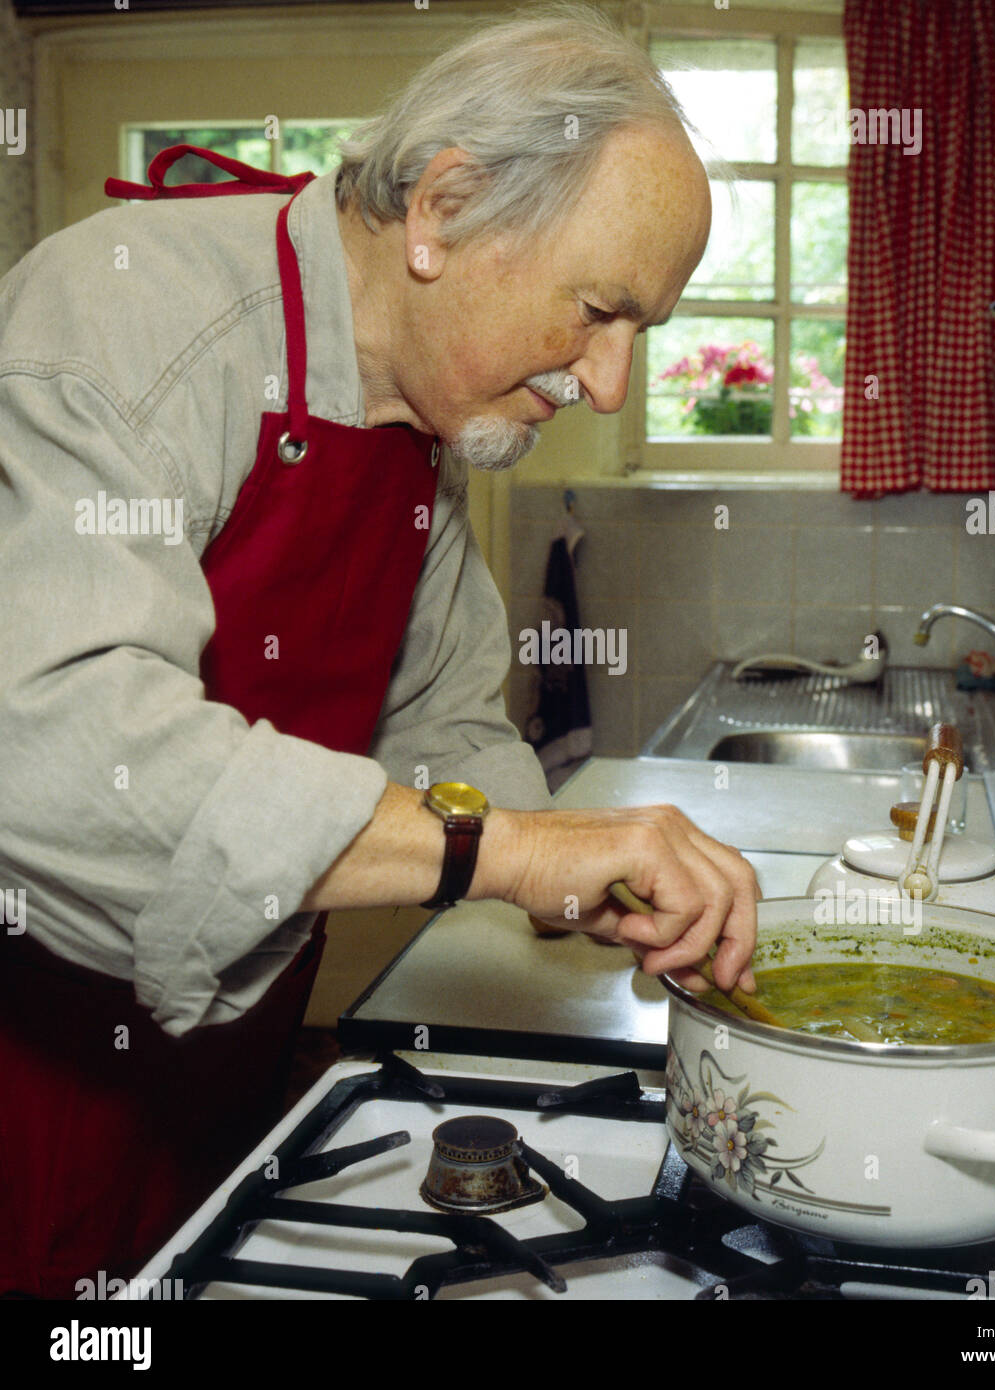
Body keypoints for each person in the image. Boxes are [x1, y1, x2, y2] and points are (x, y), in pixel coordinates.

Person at [0, 3, 758, 1298]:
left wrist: (600, 883)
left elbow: (445, 734)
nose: (611, 384)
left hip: (220, 1055)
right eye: (597, 311)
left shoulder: (422, 433)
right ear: (443, 208)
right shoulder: (128, 315)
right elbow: (57, 747)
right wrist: (504, 853)